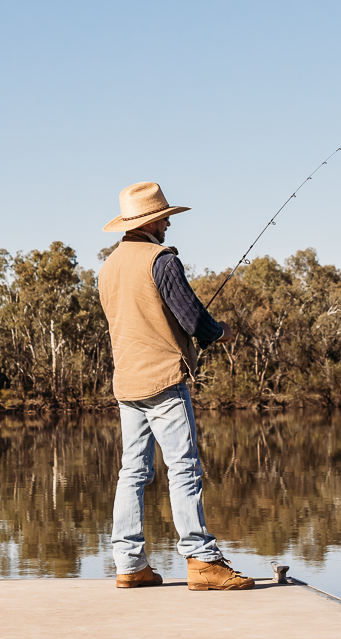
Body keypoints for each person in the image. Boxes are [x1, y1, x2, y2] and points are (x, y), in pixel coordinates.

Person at [96, 181, 254, 591]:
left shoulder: (108, 267)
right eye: (164, 216)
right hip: (164, 380)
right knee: (184, 469)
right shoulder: (161, 259)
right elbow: (191, 318)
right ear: (152, 221)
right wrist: (218, 333)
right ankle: (202, 561)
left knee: (132, 472)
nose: (168, 223)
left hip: (127, 383)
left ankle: (129, 563)